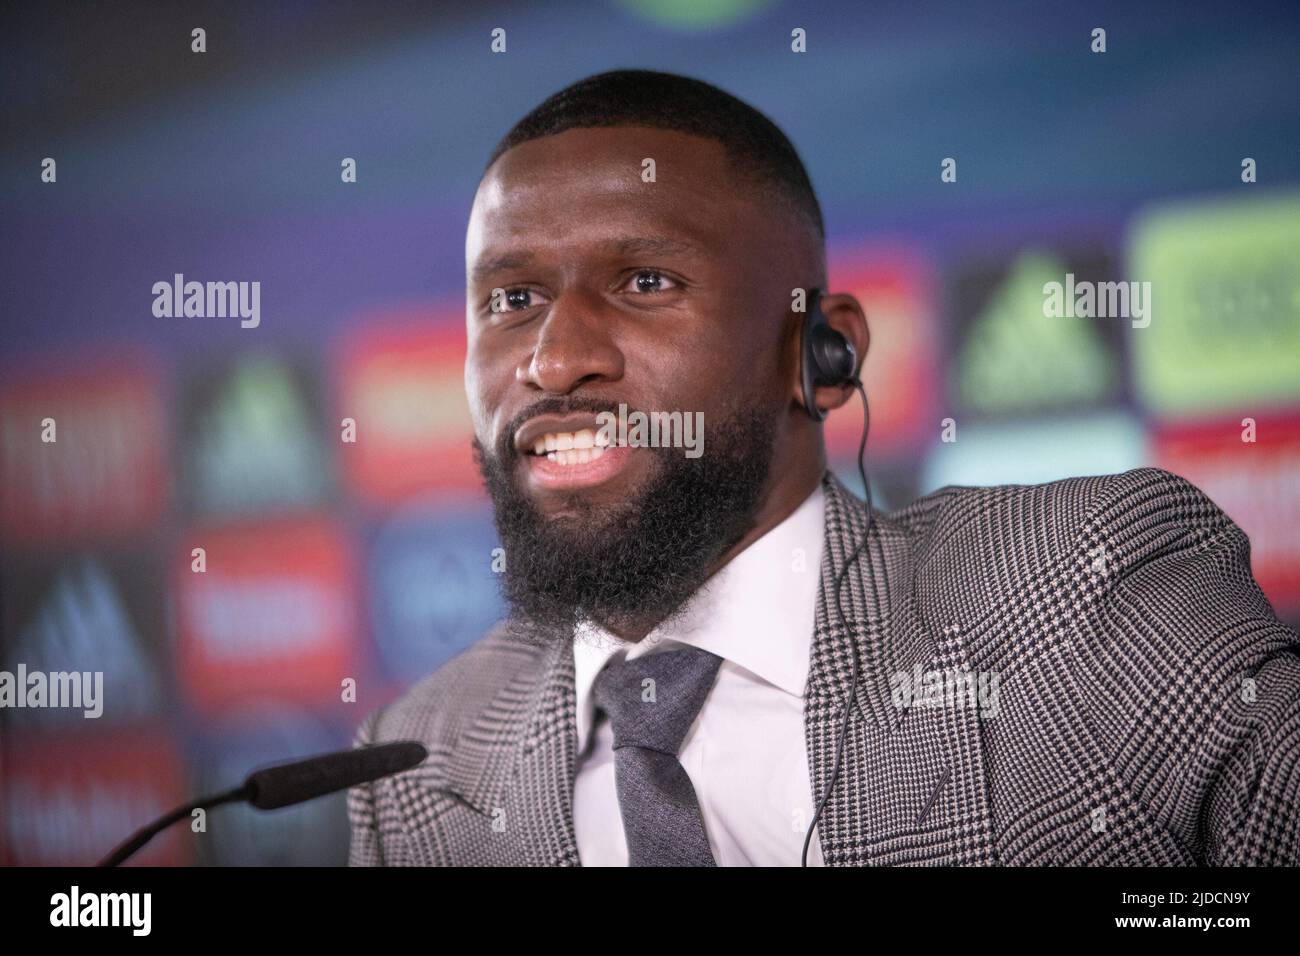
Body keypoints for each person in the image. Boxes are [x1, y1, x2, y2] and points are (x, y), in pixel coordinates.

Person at [348, 69, 1300, 866]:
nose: (554, 361)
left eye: (645, 283)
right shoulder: (413, 769)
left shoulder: (1088, 593)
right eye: (511, 298)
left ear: (819, 354)